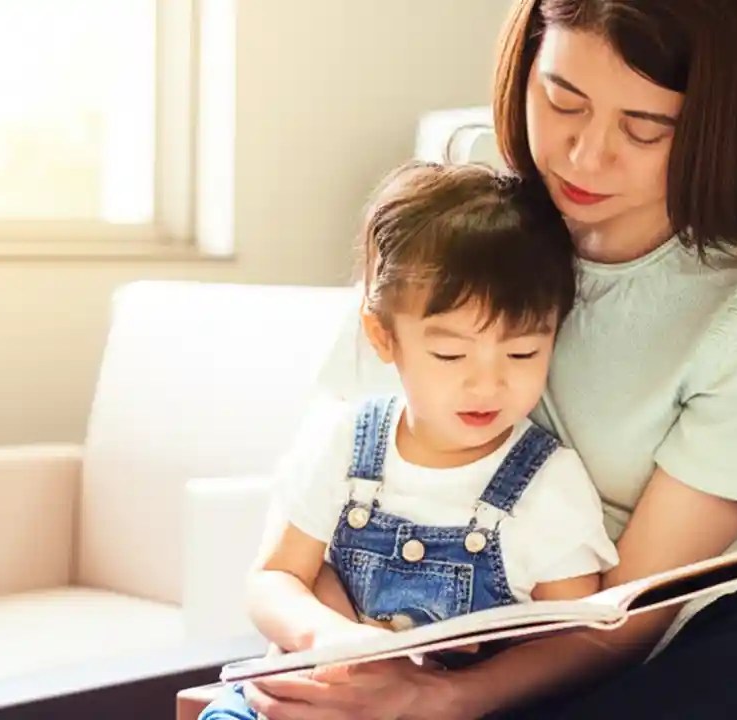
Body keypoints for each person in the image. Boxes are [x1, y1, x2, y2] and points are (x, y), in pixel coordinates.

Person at [240, 1, 737, 718]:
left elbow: (632, 609)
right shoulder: (460, 203)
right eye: (562, 99)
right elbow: (330, 493)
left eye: (646, 128)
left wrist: (448, 700)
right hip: (394, 633)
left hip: (621, 662)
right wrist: (353, 661)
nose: (584, 157)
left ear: (726, 121)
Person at [200, 162, 619, 720]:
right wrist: (323, 637)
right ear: (384, 337)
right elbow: (275, 576)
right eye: (450, 354)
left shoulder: (547, 483)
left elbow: (576, 644)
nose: (487, 383)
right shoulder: (348, 441)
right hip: (321, 692)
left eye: (522, 353)